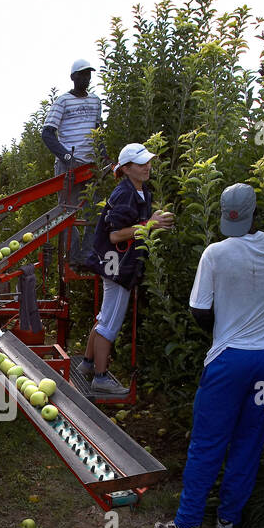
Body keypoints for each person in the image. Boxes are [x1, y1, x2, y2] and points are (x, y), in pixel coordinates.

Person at [154, 184, 264, 528]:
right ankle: (227, 524)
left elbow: (199, 309)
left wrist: (220, 329)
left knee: (208, 442)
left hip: (227, 361)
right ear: (257, 211)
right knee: (249, 441)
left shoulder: (215, 253)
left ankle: (187, 525)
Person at [81, 143, 174, 396]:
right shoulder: (124, 193)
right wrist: (149, 225)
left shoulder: (138, 191)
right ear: (126, 168)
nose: (147, 167)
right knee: (109, 323)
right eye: (141, 164)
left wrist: (151, 221)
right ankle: (100, 378)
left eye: (148, 162)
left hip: (117, 263)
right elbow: (115, 236)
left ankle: (87, 364)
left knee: (104, 315)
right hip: (116, 265)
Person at [41, 59, 104, 207]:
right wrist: (67, 157)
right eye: (81, 74)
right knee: (66, 211)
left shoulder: (95, 101)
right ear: (73, 77)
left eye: (88, 74)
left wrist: (103, 155)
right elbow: (47, 133)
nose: (86, 78)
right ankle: (67, 231)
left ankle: (92, 232)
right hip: (68, 165)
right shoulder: (63, 101)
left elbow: (98, 133)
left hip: (91, 164)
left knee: (95, 210)